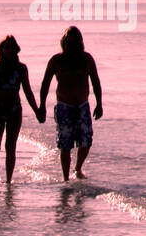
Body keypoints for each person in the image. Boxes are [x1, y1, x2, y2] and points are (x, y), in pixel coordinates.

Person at [37, 25, 103, 180]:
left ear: (80, 43)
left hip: (82, 105)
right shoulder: (57, 60)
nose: (71, 46)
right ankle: (66, 178)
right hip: (64, 106)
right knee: (65, 144)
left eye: (74, 43)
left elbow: (95, 81)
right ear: (64, 42)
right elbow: (45, 84)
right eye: (68, 42)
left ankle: (78, 169)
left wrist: (99, 103)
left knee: (86, 142)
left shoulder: (86, 59)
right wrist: (42, 106)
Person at [0, 34, 40, 183]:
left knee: (10, 147)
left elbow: (27, 91)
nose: (9, 50)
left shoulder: (21, 69)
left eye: (12, 47)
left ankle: (8, 180)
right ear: (1, 49)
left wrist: (37, 110)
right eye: (6, 47)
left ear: (16, 50)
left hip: (14, 110)